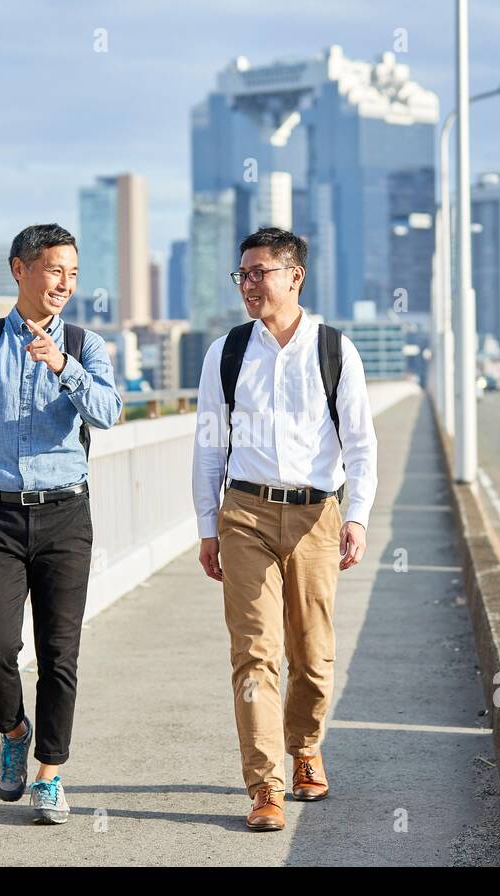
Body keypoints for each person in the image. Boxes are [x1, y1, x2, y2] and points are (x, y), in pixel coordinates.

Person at [0, 223, 122, 824]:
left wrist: (63, 365)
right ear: (20, 270)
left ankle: (49, 774)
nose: (64, 283)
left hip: (67, 514)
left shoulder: (88, 346)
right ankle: (14, 731)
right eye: (53, 270)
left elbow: (110, 412)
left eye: (72, 272)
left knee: (59, 653)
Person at [191, 227, 378, 831]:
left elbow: (361, 443)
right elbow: (207, 445)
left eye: (261, 272)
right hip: (244, 514)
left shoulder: (334, 350)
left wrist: (357, 516)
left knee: (314, 655)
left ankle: (305, 747)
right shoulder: (225, 351)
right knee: (255, 654)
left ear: (295, 276)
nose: (249, 284)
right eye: (242, 274)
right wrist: (207, 526)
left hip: (317, 516)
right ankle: (264, 785)